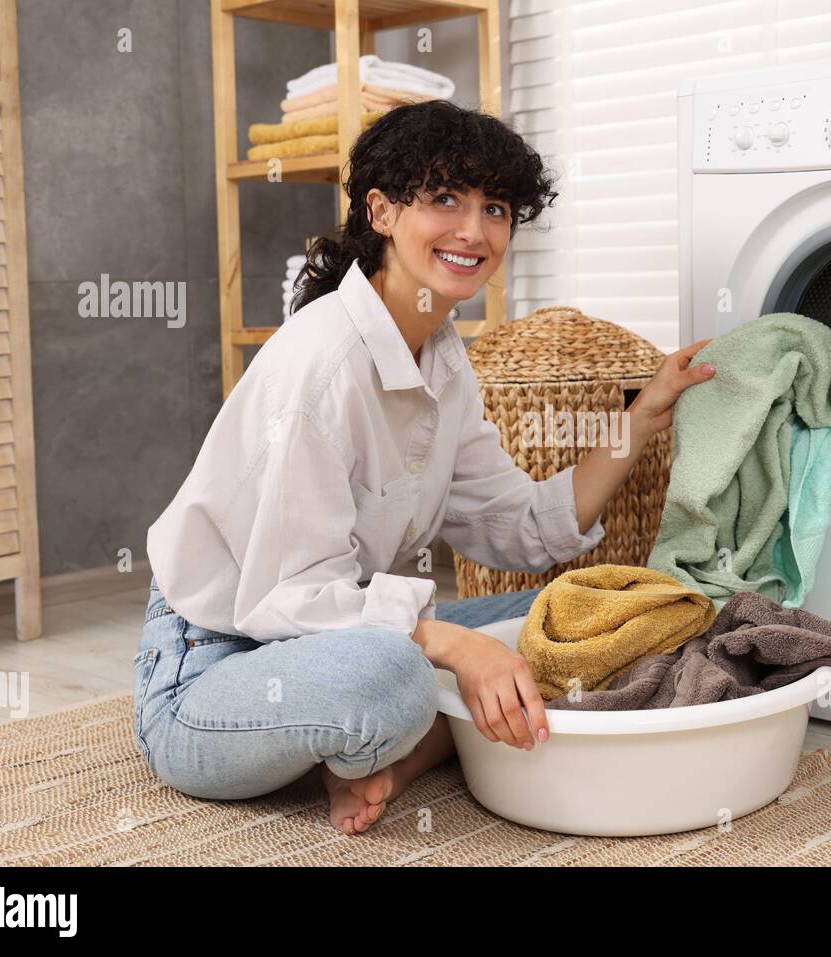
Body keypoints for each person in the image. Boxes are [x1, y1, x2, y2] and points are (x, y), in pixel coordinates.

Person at [135, 99, 714, 835]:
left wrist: (641, 416)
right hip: (209, 669)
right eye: (445, 198)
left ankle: (388, 764)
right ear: (380, 211)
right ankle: (395, 732)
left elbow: (521, 528)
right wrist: (450, 645)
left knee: (587, 614)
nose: (474, 230)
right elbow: (288, 598)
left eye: (495, 207)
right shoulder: (320, 370)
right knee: (396, 678)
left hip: (333, 633)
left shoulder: (443, 359)